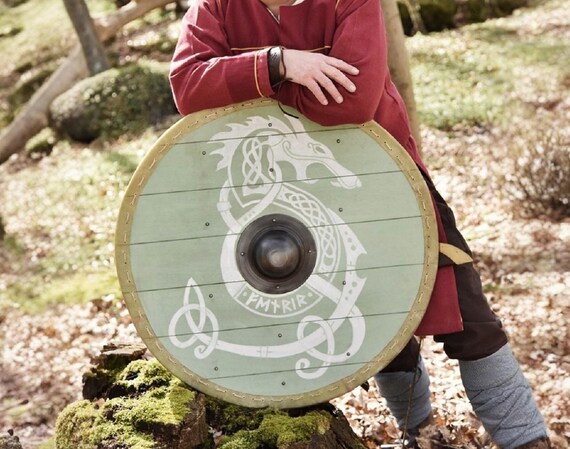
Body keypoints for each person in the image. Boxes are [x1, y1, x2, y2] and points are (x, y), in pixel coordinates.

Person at [169, 1, 550, 448]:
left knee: (468, 315)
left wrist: (256, 92)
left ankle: (527, 440)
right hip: (279, 200)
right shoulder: (215, 6)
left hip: (383, 175)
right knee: (369, 315)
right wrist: (280, 64)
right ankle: (420, 433)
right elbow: (186, 88)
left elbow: (354, 100)